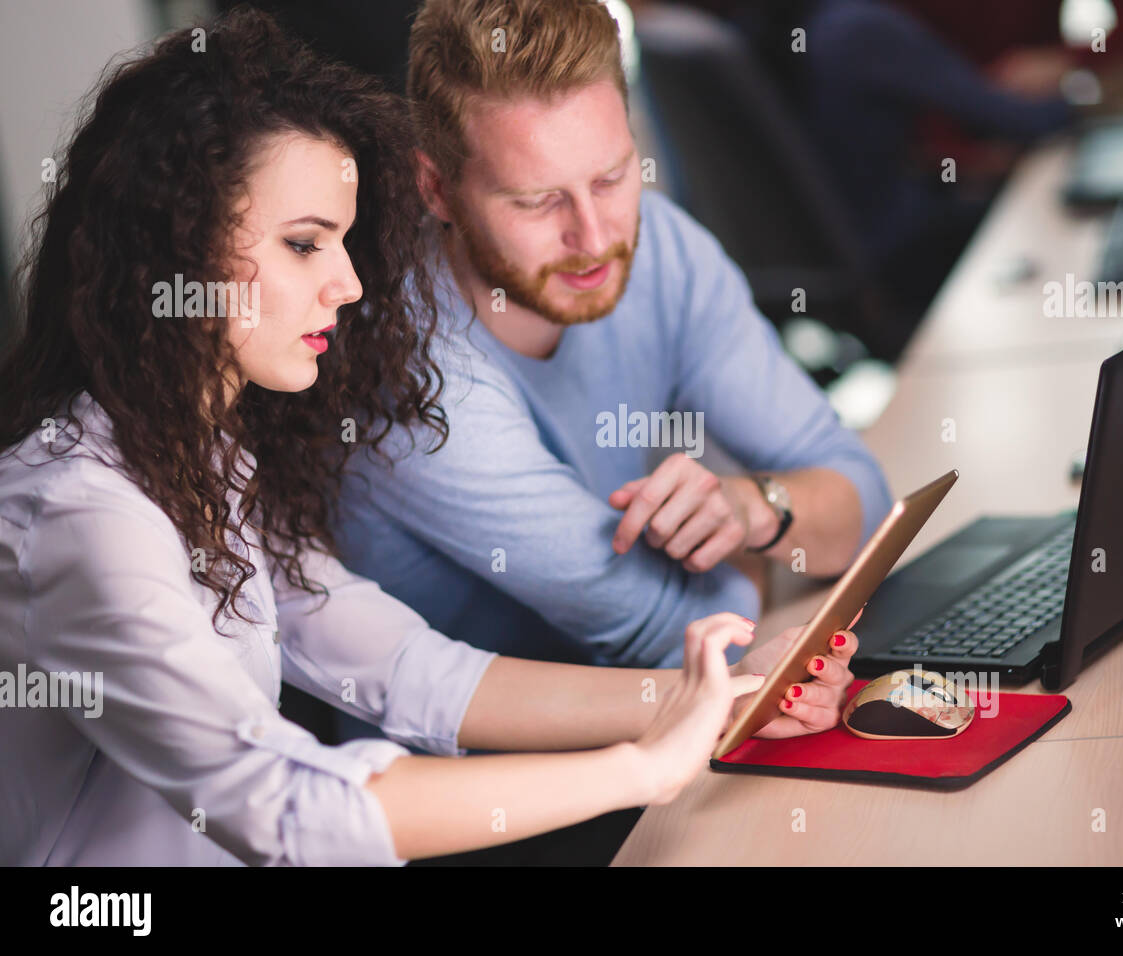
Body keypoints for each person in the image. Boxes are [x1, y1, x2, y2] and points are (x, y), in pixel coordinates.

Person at [0, 8, 860, 866]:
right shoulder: (82, 518)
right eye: (304, 246)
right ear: (173, 256)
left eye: (341, 242)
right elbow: (282, 808)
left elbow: (412, 671)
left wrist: (721, 696)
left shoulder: (206, 463)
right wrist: (649, 765)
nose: (345, 284)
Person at [332, 0, 895, 670]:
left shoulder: (663, 250)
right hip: (519, 769)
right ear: (437, 189)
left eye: (611, 178)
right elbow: (678, 634)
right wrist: (761, 548)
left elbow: (867, 502)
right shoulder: (406, 375)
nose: (595, 239)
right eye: (537, 201)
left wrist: (752, 505)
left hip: (672, 734)